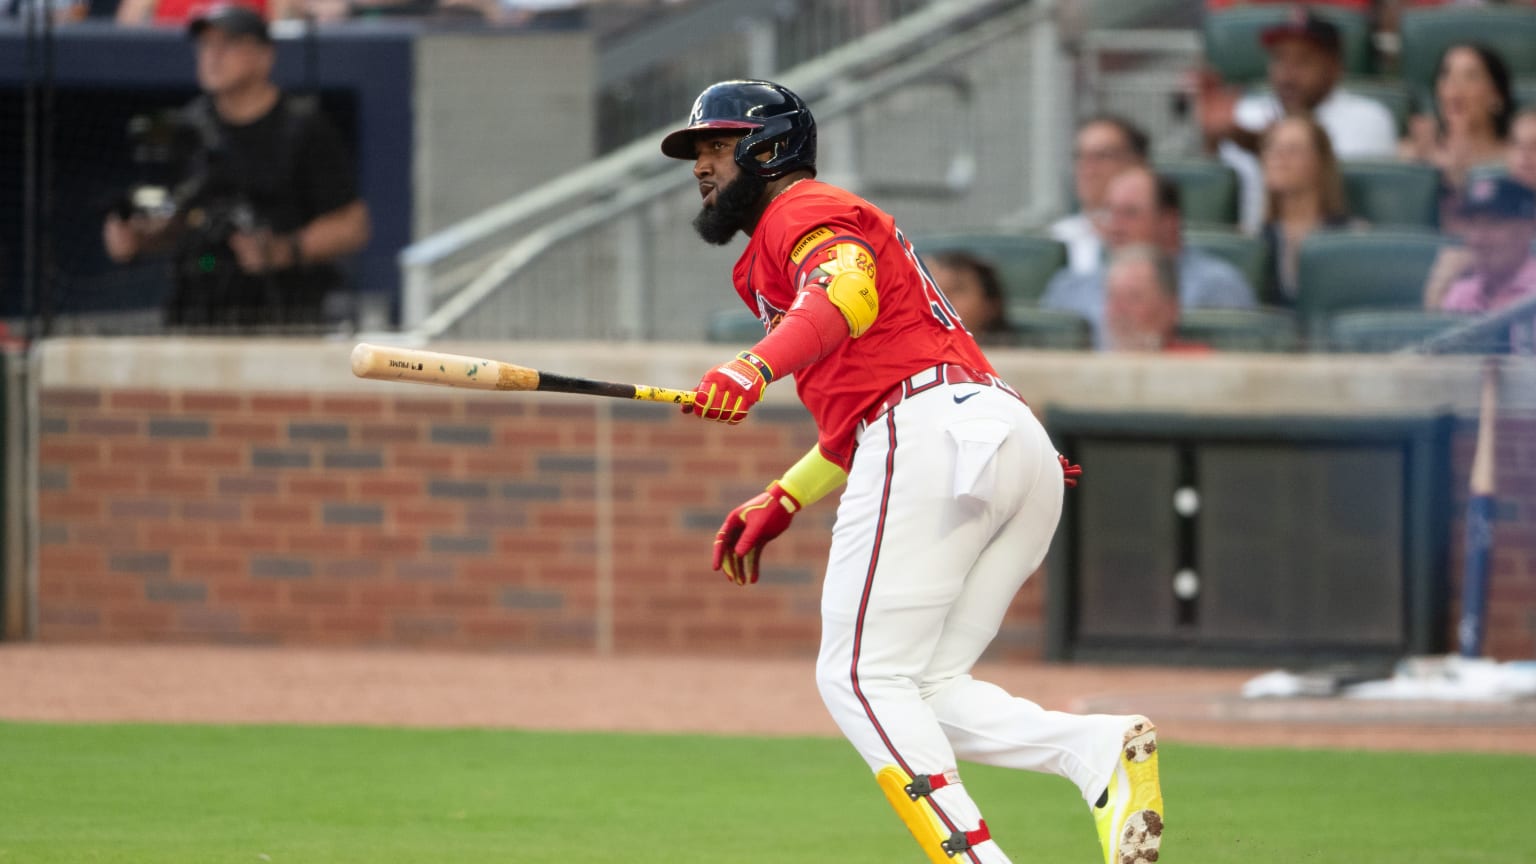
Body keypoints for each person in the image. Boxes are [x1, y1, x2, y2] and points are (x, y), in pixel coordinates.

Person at [662, 79, 1163, 864]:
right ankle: (1096, 753)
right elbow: (860, 414)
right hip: (1006, 442)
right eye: (698, 151)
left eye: (718, 146)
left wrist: (755, 368)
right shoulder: (781, 242)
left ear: (769, 148)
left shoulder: (800, 208)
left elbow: (847, 292)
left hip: (936, 432)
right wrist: (786, 494)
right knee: (921, 689)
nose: (701, 165)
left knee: (858, 679)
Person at [102, 4, 370, 330]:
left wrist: (284, 250)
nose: (213, 56)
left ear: (264, 56)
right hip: (199, 301)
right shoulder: (186, 128)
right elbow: (179, 218)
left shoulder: (304, 127)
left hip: (284, 311)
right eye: (205, 46)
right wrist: (140, 238)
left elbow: (353, 226)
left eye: (227, 44)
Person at [1196, 7, 1397, 233]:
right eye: (1279, 59)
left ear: (1334, 67)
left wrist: (1259, 144)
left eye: (1302, 61)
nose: (1287, 74)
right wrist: (1212, 141)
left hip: (1332, 247)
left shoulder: (1369, 117)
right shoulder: (1243, 114)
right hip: (1258, 246)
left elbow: (1326, 189)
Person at [1041, 166, 1256, 346]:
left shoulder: (1219, 286)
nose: (1115, 226)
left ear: (1168, 222)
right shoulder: (1068, 287)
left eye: (1130, 213)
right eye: (1109, 212)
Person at [1398, 42, 1515, 230]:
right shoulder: (1412, 154)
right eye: (1446, 75)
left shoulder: (1521, 160)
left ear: (1497, 96)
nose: (1455, 87)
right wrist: (1419, 171)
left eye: (1471, 76)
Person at [1259, 115, 1355, 306]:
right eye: (1272, 147)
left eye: (1293, 150)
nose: (1278, 156)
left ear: (1320, 162)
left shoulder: (1353, 238)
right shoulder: (1254, 240)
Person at [1049, 115, 1150, 275]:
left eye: (1102, 156)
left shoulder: (1156, 237)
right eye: (1080, 156)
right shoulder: (1056, 239)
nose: (1087, 168)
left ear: (1137, 163)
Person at [1437, 175, 1536, 316]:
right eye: (1472, 225)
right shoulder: (1461, 294)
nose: (1478, 239)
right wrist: (1439, 290)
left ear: (1528, 228)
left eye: (1494, 223)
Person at [1102, 245, 1210, 353]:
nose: (1118, 311)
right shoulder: (1093, 364)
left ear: (1170, 309)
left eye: (1134, 298)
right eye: (1112, 297)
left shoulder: (1200, 363)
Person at [925, 251, 1016, 347]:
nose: (941, 299)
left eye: (957, 289)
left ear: (990, 306)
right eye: (934, 289)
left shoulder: (1019, 354)